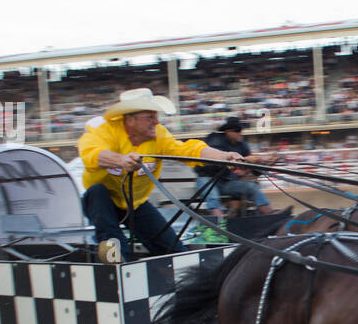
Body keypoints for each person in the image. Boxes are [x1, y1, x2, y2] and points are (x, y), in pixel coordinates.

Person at [78, 89, 261, 262]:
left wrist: (223, 156)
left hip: (135, 203)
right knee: (97, 193)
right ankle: (114, 261)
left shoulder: (159, 135)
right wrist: (121, 160)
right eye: (150, 117)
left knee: (172, 248)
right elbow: (91, 153)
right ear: (130, 119)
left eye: (156, 116)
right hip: (103, 202)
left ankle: (180, 275)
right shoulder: (104, 130)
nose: (156, 122)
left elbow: (187, 150)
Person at [191, 117, 276, 216]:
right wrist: (247, 159)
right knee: (212, 196)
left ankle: (269, 213)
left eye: (240, 131)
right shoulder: (215, 139)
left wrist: (263, 164)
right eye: (237, 131)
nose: (240, 133)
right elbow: (215, 163)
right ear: (228, 131)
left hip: (225, 181)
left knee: (252, 188)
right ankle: (219, 220)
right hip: (207, 178)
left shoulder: (242, 145)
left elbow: (254, 171)